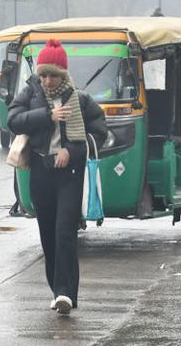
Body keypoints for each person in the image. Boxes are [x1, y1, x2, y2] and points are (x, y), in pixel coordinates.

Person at [7, 39, 107, 315]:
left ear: (63, 75)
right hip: (40, 172)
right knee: (48, 234)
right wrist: (48, 116)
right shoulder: (30, 93)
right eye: (44, 75)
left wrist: (72, 152)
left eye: (53, 75)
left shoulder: (80, 99)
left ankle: (65, 293)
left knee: (65, 233)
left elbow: (100, 132)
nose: (48, 81)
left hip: (69, 176)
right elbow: (13, 121)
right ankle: (57, 289)